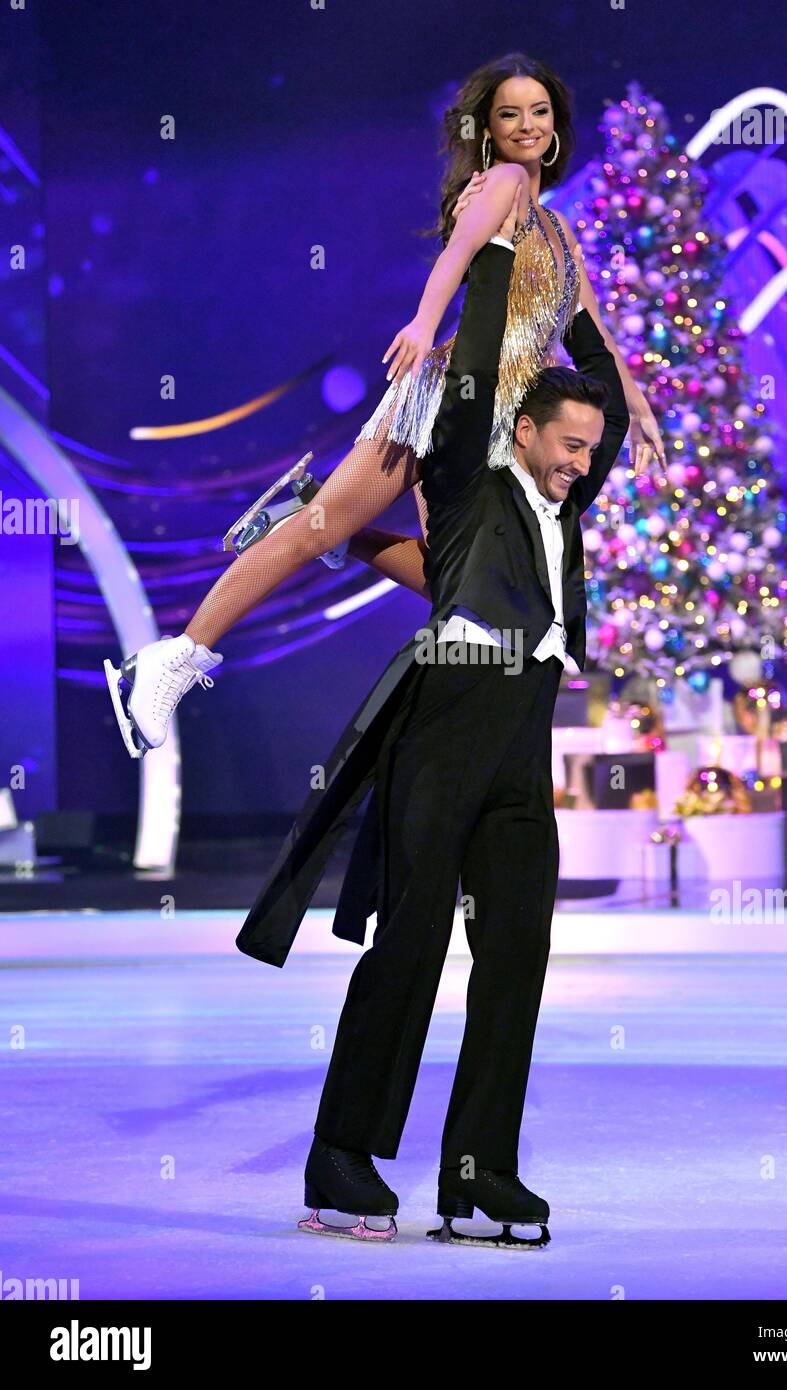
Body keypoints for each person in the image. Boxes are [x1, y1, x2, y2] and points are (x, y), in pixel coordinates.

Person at [236, 180, 632, 1250]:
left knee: (517, 945)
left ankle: (477, 1174)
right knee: (412, 935)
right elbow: (476, 357)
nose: (579, 459)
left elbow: (610, 396)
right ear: (522, 430)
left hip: (518, 735)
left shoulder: (567, 497)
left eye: (590, 447)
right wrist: (497, 245)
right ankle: (340, 1159)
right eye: (565, 442)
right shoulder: (471, 472)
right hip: (449, 713)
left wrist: (582, 297)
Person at [103, 53, 664, 759]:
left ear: (555, 127)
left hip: (496, 421)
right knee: (339, 538)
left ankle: (321, 525)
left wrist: (637, 406)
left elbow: (594, 335)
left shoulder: (558, 229)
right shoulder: (507, 184)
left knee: (456, 585)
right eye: (510, 113)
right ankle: (171, 660)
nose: (527, 124)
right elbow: (459, 250)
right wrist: (425, 323)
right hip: (450, 395)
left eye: (539, 112)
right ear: (489, 131)